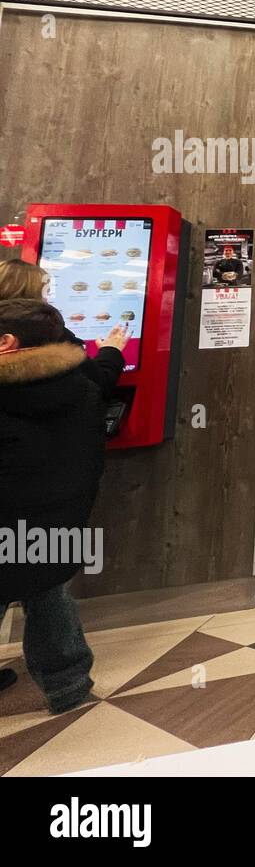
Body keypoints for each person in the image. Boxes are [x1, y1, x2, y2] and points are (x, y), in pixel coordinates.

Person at [0, 299, 106, 713]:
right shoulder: (82, 385)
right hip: (61, 518)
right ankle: (68, 685)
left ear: (7, 341)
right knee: (51, 596)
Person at [0, 258, 127, 398]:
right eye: (45, 292)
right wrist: (111, 350)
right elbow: (98, 384)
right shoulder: (49, 333)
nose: (47, 299)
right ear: (33, 295)